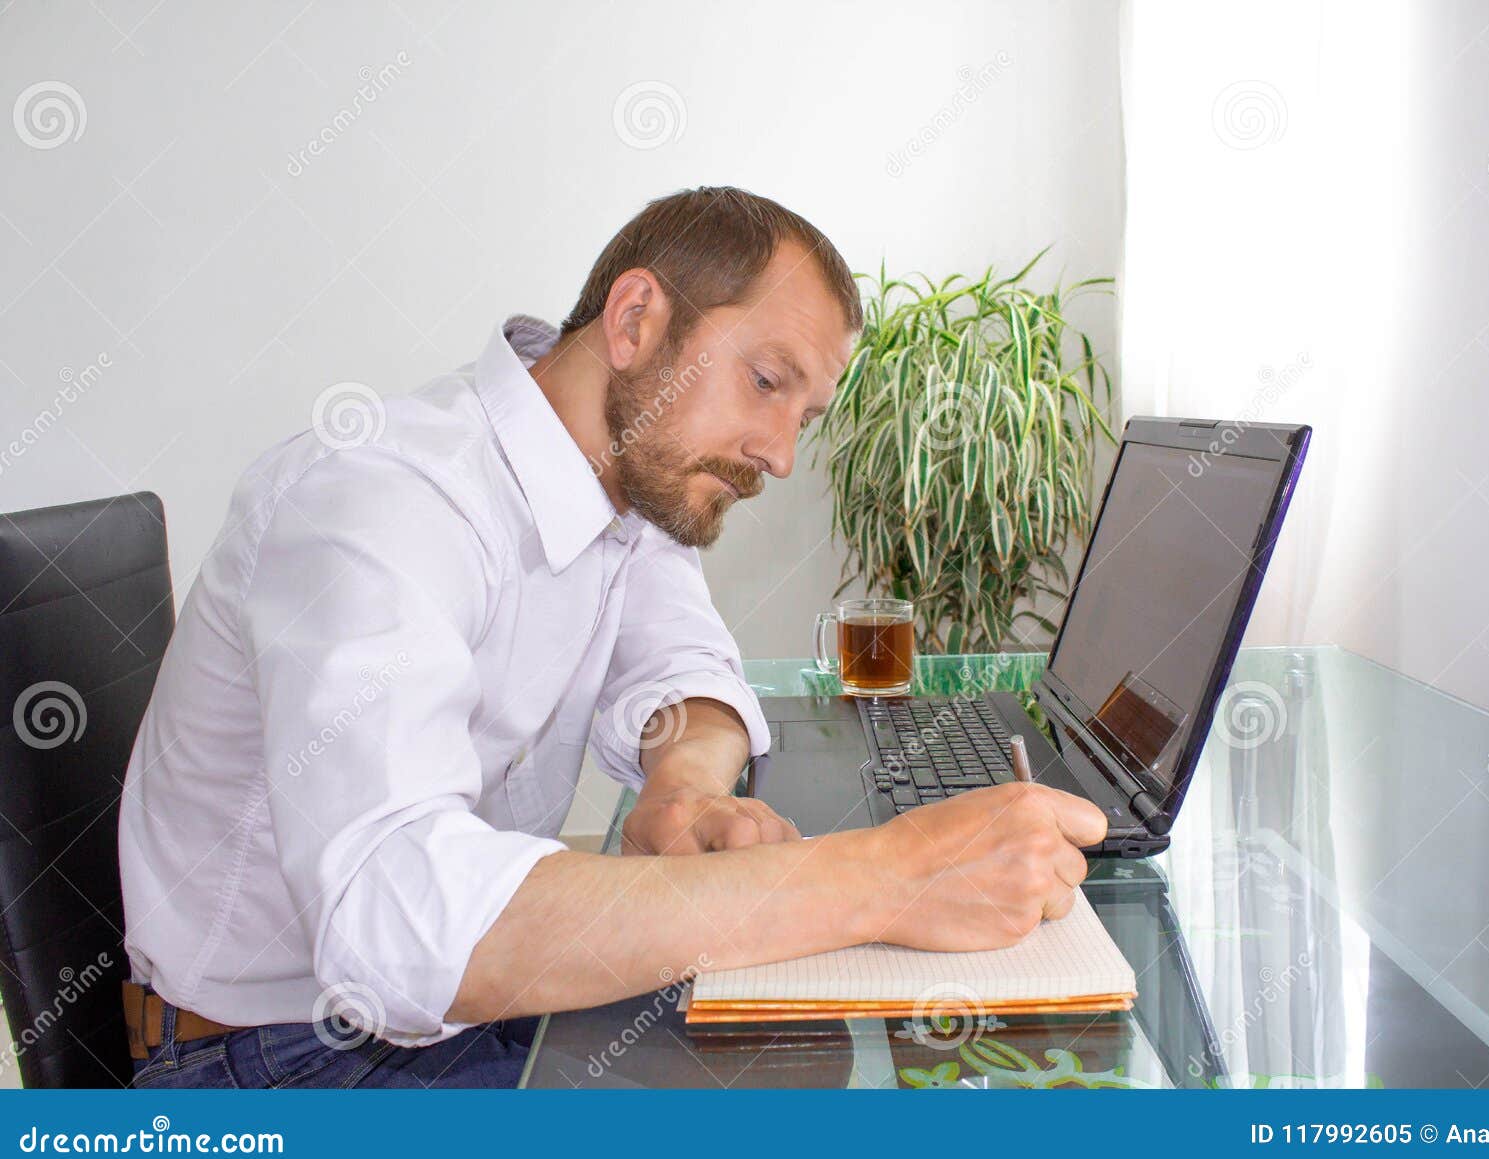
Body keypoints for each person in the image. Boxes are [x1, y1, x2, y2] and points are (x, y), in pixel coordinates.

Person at [118, 186, 1107, 1088]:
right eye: (767, 381)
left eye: (805, 414)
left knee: (804, 1073)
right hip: (270, 1057)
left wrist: (685, 789)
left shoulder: (626, 486)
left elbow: (685, 669)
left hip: (464, 1017)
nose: (781, 453)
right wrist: (880, 877)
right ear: (636, 320)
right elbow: (397, 923)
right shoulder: (379, 497)